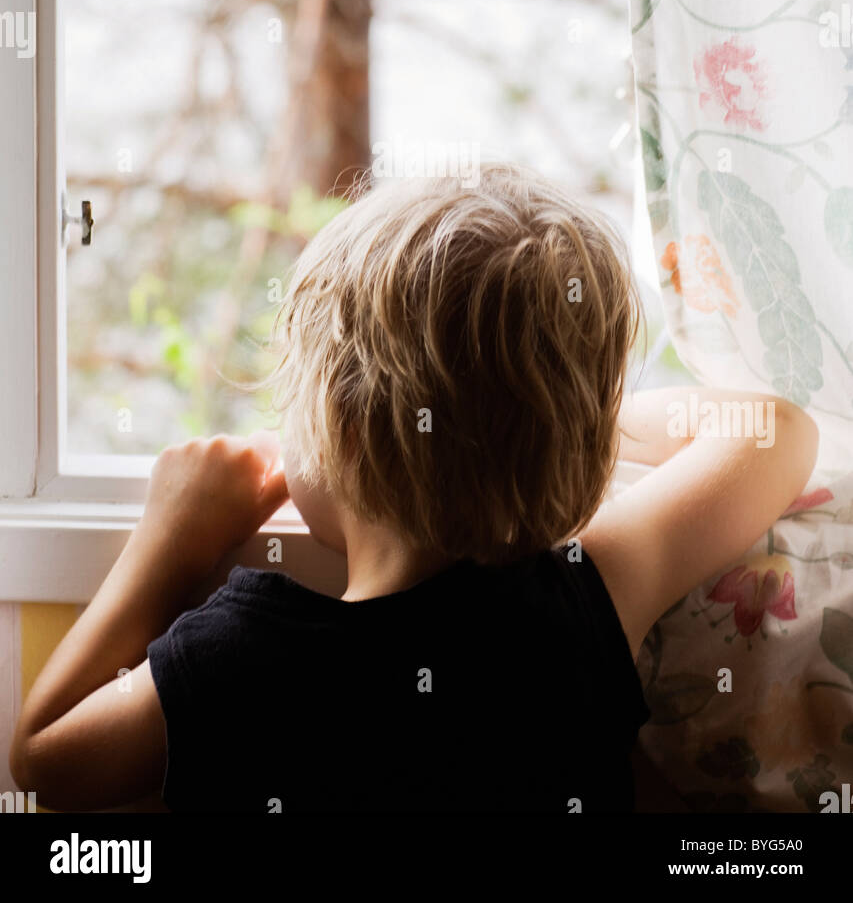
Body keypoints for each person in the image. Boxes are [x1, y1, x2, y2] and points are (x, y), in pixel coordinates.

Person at [10, 165, 818, 812]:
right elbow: (776, 429)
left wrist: (171, 538)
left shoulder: (242, 658)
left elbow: (46, 764)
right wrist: (549, 415)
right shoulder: (583, 602)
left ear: (348, 436)